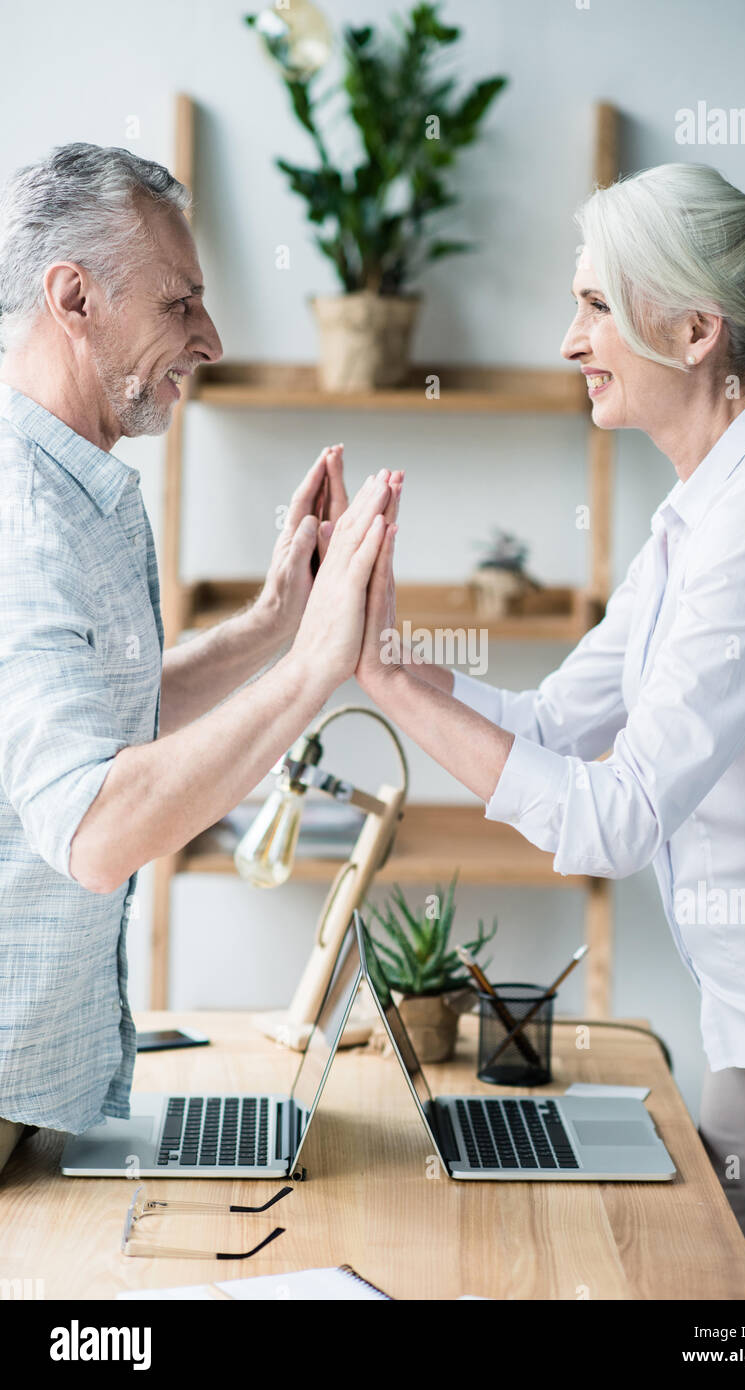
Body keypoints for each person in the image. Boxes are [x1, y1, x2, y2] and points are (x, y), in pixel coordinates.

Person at [354, 163, 745, 1301]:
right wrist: (390, 664)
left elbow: (615, 817)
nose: (569, 340)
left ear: (694, 329)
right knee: (728, 1298)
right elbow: (551, 723)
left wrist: (389, 693)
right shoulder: (699, 514)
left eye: (595, 306)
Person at [0, 143, 400, 1175]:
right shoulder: (26, 517)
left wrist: (272, 623)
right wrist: (314, 668)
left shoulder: (77, 482)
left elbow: (112, 720)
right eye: (181, 303)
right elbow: (94, 826)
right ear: (74, 297)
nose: (209, 339)